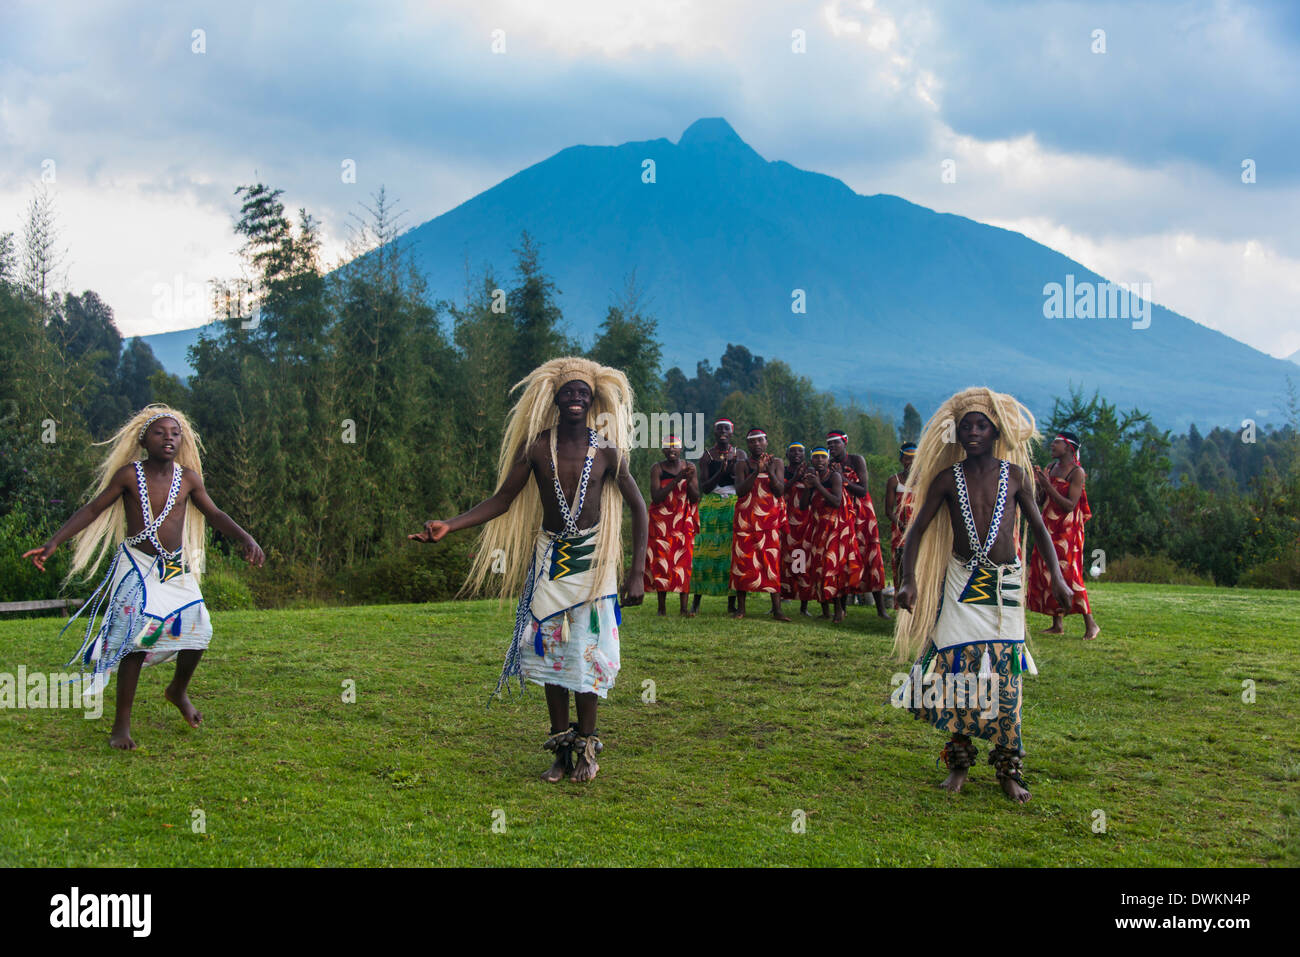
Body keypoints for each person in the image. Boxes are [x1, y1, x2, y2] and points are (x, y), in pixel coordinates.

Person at [409, 358, 647, 784]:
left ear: (592, 401)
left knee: (587, 657)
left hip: (593, 564)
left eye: (582, 393)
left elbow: (639, 507)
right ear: (555, 400)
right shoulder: (537, 447)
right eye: (567, 392)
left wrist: (637, 572)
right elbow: (502, 499)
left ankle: (588, 750)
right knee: (551, 656)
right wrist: (450, 525)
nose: (575, 398)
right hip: (550, 562)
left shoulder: (609, 450)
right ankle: (560, 750)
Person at [23, 406, 264, 750]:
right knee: (136, 639)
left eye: (175, 433)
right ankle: (121, 726)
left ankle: (177, 690)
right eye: (160, 432)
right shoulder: (128, 476)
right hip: (137, 565)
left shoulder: (189, 479)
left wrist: (246, 538)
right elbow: (92, 510)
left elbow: (215, 513)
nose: (168, 438)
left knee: (200, 629)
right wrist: (53, 542)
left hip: (175, 567)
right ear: (143, 440)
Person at [892, 388, 1072, 803]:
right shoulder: (946, 480)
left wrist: (1059, 580)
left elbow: (1041, 532)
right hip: (960, 582)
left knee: (1005, 677)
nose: (973, 432)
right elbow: (915, 531)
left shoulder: (1016, 476)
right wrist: (909, 580)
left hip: (1004, 586)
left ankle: (1009, 767)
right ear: (957, 433)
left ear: (997, 432)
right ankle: (958, 762)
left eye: (982, 426)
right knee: (959, 672)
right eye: (967, 426)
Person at [1027, 432, 1100, 640]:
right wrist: (1039, 484)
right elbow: (1041, 500)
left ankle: (1091, 624)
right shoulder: (1050, 468)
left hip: (1068, 531)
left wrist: (1047, 484)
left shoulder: (1077, 472)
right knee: (1049, 571)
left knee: (1070, 574)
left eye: (1057, 442)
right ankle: (1057, 624)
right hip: (1048, 526)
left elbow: (1069, 505)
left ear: (1068, 447)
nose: (1052, 445)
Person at [827, 430, 889, 618]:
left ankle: (881, 609)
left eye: (835, 443)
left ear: (844, 443)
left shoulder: (856, 460)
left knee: (870, 555)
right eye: (829, 444)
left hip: (862, 513)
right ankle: (842, 608)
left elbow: (863, 489)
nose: (832, 447)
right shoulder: (828, 465)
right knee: (844, 556)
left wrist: (842, 478)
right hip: (843, 514)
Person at [730, 428, 790, 620]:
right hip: (745, 519)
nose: (756, 444)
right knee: (742, 561)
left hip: (768, 520)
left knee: (771, 562)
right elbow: (740, 491)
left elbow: (780, 491)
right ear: (747, 445)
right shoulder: (742, 464)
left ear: (766, 442)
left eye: (759, 441)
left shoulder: (777, 462)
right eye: (752, 442)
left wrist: (770, 472)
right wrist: (756, 471)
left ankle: (777, 610)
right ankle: (741, 609)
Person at [690, 418, 746, 615]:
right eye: (719, 429)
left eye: (726, 428)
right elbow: (704, 488)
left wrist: (732, 472)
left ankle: (732, 603)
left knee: (730, 553)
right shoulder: (706, 456)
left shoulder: (740, 454)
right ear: (714, 432)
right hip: (712, 504)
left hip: (733, 503)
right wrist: (720, 471)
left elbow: (743, 483)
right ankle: (696, 601)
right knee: (704, 552)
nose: (723, 431)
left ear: (732, 431)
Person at [644, 435, 700, 616]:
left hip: (683, 521)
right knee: (661, 562)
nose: (671, 451)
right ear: (663, 450)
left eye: (675, 447)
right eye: (667, 448)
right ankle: (662, 607)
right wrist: (677, 480)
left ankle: (684, 608)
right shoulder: (657, 468)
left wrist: (689, 480)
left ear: (681, 449)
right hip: (661, 521)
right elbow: (656, 497)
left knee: (684, 562)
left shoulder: (689, 468)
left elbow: (695, 498)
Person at [802, 447, 854, 623]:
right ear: (811, 461)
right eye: (815, 457)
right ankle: (825, 610)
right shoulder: (811, 478)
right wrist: (808, 487)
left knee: (833, 567)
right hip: (817, 527)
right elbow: (802, 506)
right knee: (818, 567)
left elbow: (836, 501)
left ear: (828, 459)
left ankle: (839, 611)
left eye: (823, 457)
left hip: (834, 528)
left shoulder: (834, 477)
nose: (819, 460)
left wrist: (817, 485)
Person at [781, 443, 815, 616]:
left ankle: (803, 606)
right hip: (785, 520)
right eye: (792, 451)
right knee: (782, 560)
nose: (796, 454)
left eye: (800, 451)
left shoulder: (811, 472)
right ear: (787, 454)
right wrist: (794, 477)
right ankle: (778, 602)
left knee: (802, 561)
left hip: (804, 522)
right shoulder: (783, 471)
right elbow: (779, 490)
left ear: (805, 454)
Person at [885, 442, 918, 607]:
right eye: (906, 459)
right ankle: (901, 607)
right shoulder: (894, 481)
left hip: (919, 531)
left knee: (919, 568)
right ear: (901, 459)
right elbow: (888, 511)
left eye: (913, 459)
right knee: (900, 567)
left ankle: (919, 608)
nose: (910, 462)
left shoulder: (924, 481)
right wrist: (901, 524)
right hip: (900, 532)